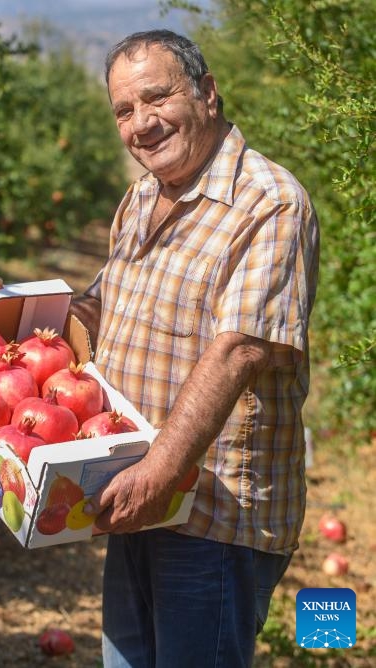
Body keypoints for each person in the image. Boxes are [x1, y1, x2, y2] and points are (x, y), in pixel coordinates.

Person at [68, 29, 320, 667]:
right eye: (124, 110)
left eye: (156, 98)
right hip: (140, 489)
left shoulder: (269, 203)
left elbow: (239, 351)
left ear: (207, 93)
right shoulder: (143, 196)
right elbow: (102, 304)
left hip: (213, 513)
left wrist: (158, 473)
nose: (141, 124)